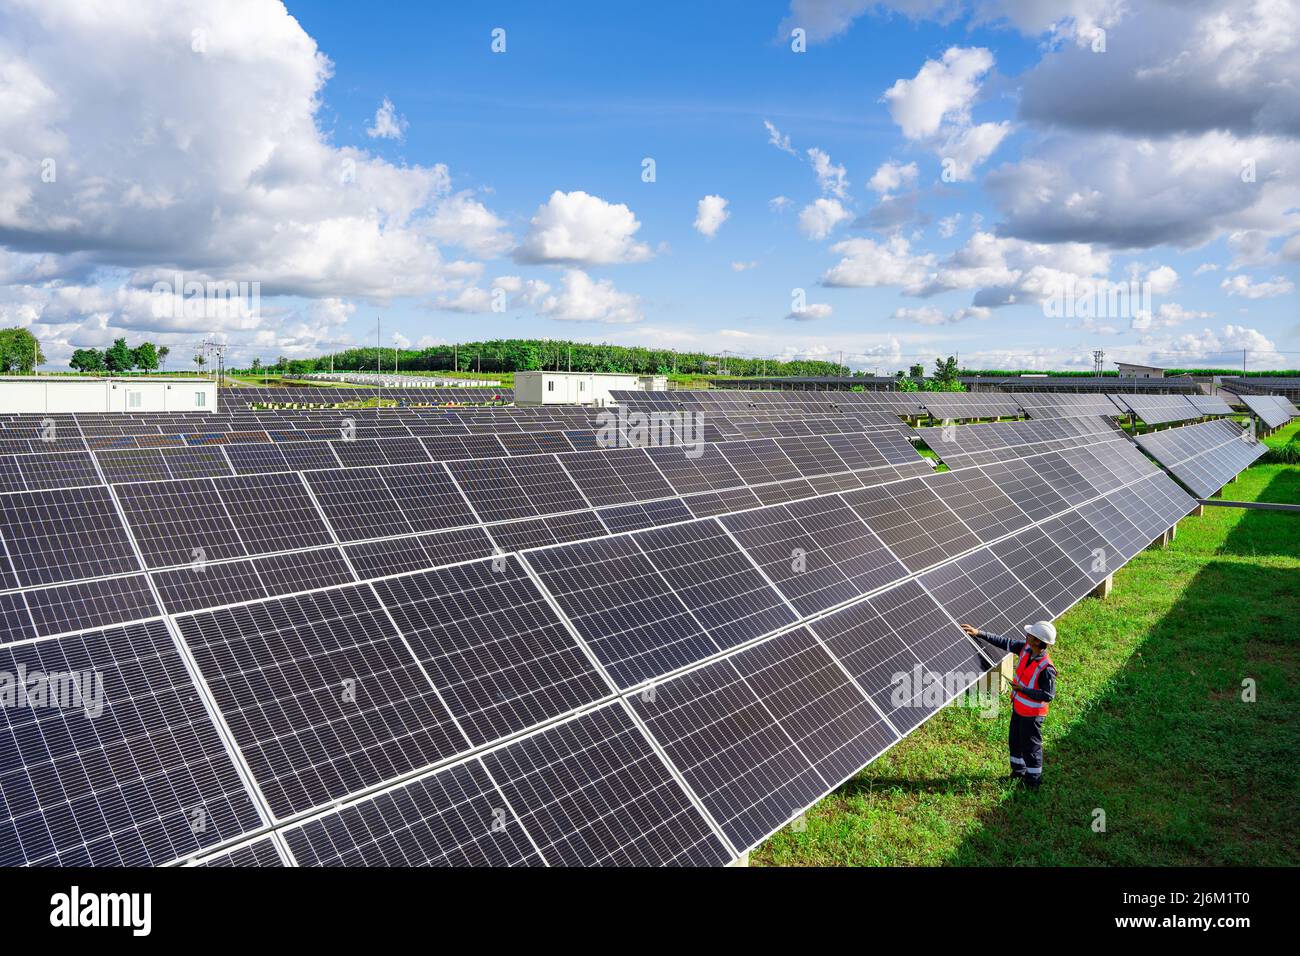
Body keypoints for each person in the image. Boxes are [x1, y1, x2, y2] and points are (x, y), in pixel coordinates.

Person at [959, 621, 1058, 790]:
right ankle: (1018, 772)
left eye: (1030, 635)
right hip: (1019, 709)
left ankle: (1033, 781)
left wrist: (1023, 690)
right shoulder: (1026, 649)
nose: (1026, 636)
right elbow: (1005, 642)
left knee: (1031, 747)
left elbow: (1048, 695)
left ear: (1037, 641)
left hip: (1033, 716)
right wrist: (979, 633)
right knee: (1015, 741)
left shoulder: (1046, 669)